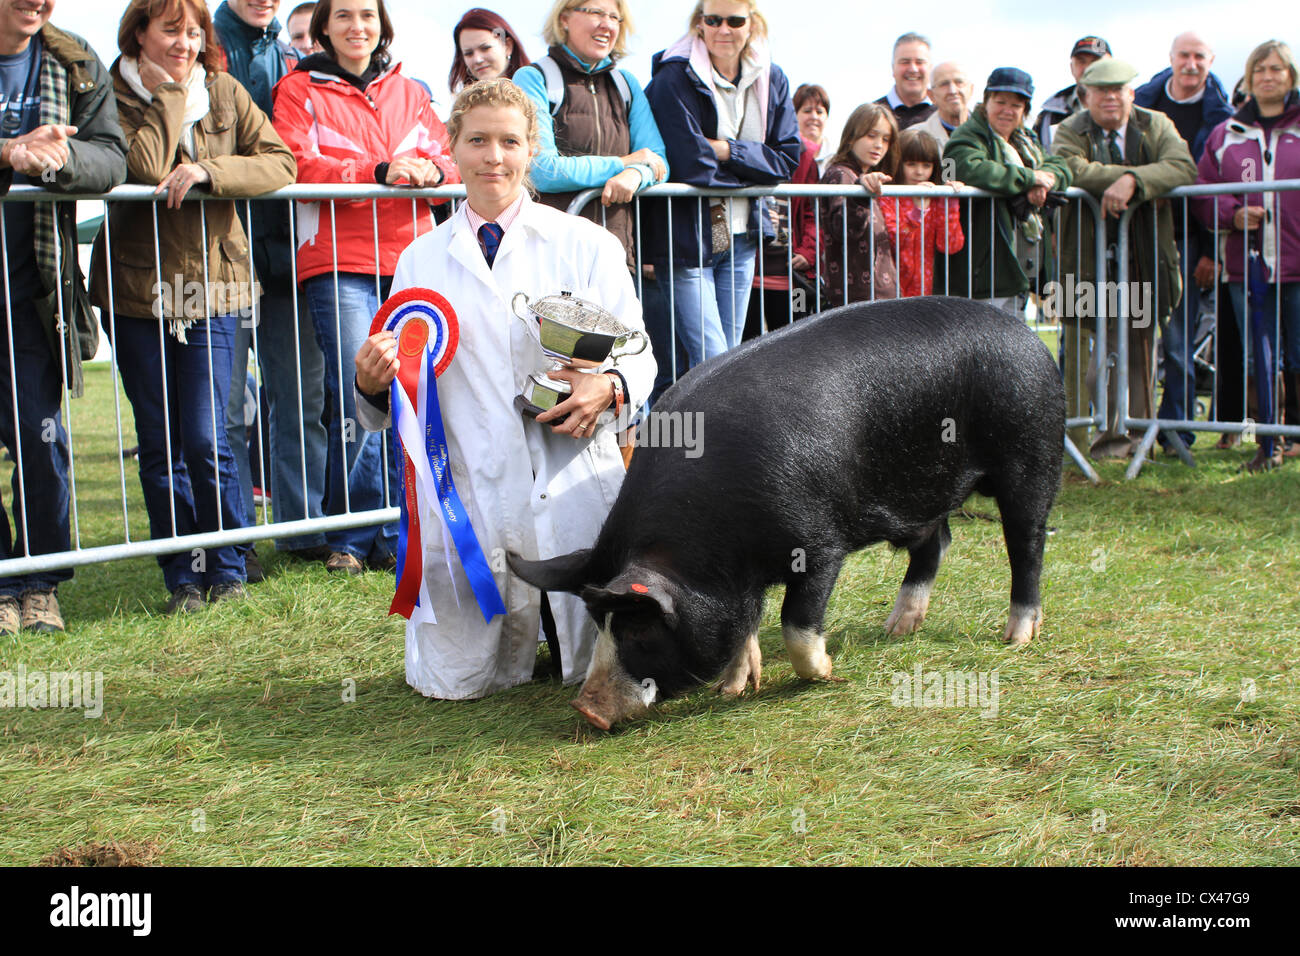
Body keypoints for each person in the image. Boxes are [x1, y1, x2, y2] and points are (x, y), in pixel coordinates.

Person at [352, 78, 656, 700]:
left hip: (568, 468)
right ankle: (497, 644)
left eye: (510, 141)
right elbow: (401, 388)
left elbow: (640, 354)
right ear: (453, 149)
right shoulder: (421, 258)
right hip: (469, 481)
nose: (494, 157)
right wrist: (370, 380)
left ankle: (566, 636)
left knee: (593, 632)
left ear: (531, 150)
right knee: (456, 678)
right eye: (478, 141)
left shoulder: (587, 244)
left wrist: (610, 387)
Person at [89, 0, 296, 612]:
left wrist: (209, 169)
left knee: (207, 437)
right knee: (160, 442)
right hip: (137, 292)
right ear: (139, 34)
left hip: (214, 287)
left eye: (193, 30)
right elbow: (146, 167)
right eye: (170, 29)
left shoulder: (227, 91)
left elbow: (280, 161)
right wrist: (171, 97)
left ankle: (227, 564)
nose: (184, 41)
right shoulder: (111, 93)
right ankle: (183, 574)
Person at [272, 0, 459, 575]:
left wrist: (432, 174)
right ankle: (349, 536)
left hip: (411, 260)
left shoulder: (410, 90)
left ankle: (392, 528)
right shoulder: (298, 89)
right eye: (345, 16)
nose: (358, 27)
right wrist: (378, 173)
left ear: (383, 26)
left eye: (369, 16)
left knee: (410, 392)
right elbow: (296, 165)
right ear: (324, 28)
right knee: (358, 393)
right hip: (339, 261)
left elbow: (451, 163)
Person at [0, 0, 127, 635]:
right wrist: (7, 154)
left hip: (34, 293)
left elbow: (111, 158)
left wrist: (56, 162)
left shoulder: (74, 61)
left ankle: (39, 583)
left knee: (39, 439)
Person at [214, 0, 331, 576]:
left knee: (301, 399)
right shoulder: (203, 44)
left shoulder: (295, 56)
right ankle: (234, 539)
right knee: (228, 408)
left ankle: (301, 526)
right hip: (218, 258)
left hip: (289, 257)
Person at [642, 0, 799, 372]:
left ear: (752, 24)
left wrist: (727, 150)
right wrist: (757, 167)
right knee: (712, 359)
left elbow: (788, 159)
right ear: (699, 24)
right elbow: (691, 164)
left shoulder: (771, 76)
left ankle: (711, 431)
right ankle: (683, 431)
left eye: (734, 20)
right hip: (687, 237)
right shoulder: (672, 77)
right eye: (713, 20)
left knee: (729, 359)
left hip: (741, 235)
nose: (723, 29)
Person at [1053, 58, 1197, 460]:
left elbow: (1183, 166)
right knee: (1085, 355)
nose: (1111, 97)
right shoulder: (1070, 128)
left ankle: (1134, 443)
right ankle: (1079, 443)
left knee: (1139, 353)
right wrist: (1128, 177)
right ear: (1086, 96)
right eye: (1101, 91)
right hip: (1085, 261)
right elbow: (1070, 168)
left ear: (1132, 93)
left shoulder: (1157, 124)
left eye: (1118, 89)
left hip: (1143, 259)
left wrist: (1133, 182)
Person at [1194, 40, 1300, 469]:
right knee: (1259, 355)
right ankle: (1266, 443)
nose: (1268, 76)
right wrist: (1233, 215)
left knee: (1298, 353)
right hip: (1247, 265)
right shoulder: (1226, 134)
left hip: (1296, 264)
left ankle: (1296, 437)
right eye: (1260, 70)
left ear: (1290, 76)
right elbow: (1203, 193)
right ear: (1249, 79)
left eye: (1277, 69)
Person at [1135, 31, 1234, 454]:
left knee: (1177, 346)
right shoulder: (1142, 103)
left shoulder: (1223, 116)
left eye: (1199, 56)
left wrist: (1212, 249)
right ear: (1170, 58)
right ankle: (1131, 431)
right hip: (1139, 235)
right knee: (1135, 340)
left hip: (1190, 239)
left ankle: (1178, 433)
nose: (1190, 64)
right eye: (1184, 55)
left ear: (1210, 61)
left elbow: (1217, 186)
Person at [513, 0, 667, 268]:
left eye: (614, 17)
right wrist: (621, 164)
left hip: (615, 252)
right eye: (595, 12)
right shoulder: (533, 78)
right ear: (564, 19)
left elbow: (657, 160)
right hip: (549, 254)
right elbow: (542, 170)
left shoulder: (626, 84)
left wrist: (635, 175)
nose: (606, 25)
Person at [943, 68, 1071, 310]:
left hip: (1021, 269)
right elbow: (965, 168)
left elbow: (1060, 166)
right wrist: (1028, 179)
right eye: (1000, 101)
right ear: (986, 101)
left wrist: (1046, 180)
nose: (1007, 110)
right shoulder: (967, 135)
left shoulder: (1028, 140)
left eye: (1016, 105)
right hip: (986, 272)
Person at [819, 102, 900, 307]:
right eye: (871, 135)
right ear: (852, 135)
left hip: (876, 294)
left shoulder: (863, 176)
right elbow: (844, 229)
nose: (879, 145)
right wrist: (859, 195)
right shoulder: (840, 174)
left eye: (885, 139)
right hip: (857, 298)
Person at [879, 128, 964, 298]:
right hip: (889, 290)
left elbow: (950, 245)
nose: (919, 172)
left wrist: (950, 202)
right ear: (898, 162)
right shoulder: (887, 197)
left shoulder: (936, 199)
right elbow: (893, 242)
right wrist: (917, 212)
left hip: (924, 292)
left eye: (926, 165)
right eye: (911, 164)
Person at [1034, 36, 1110, 152]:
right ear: (1071, 67)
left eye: (1095, 61)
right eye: (1081, 61)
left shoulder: (1132, 111)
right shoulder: (1048, 118)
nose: (1087, 68)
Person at [447, 7, 530, 92]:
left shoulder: (537, 91)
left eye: (485, 48)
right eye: (468, 53)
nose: (477, 59)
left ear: (507, 46)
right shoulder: (461, 103)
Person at [875, 32, 935, 130]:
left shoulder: (944, 116)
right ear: (893, 68)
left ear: (930, 68)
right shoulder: (871, 117)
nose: (913, 69)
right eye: (905, 62)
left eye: (919, 62)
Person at [918, 61, 973, 148]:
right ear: (931, 95)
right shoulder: (916, 138)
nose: (953, 91)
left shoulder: (991, 132)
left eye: (959, 82)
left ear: (971, 89)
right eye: (944, 84)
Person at [793, 82, 831, 171]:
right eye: (807, 111)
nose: (814, 117)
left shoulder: (836, 156)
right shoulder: (786, 153)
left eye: (819, 112)